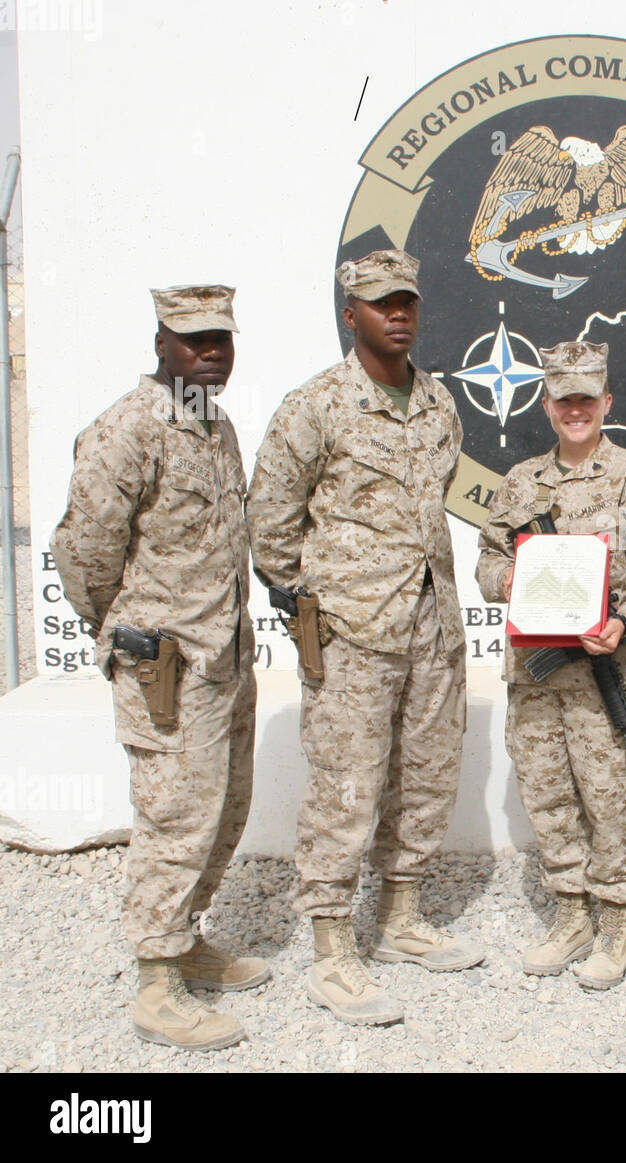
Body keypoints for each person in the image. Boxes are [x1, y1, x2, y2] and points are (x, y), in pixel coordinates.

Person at [246, 249, 481, 1027]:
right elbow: (270, 519)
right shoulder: (316, 405)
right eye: (382, 303)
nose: (398, 313)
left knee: (426, 771)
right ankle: (331, 946)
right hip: (352, 630)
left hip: (431, 620)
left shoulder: (440, 402)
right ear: (351, 315)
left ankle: (402, 914)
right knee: (346, 785)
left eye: (407, 299)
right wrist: (320, 599)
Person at [52, 284, 264, 1052]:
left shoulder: (215, 425)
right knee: (173, 820)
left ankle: (186, 937)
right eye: (192, 339)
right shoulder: (127, 430)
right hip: (166, 667)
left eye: (220, 339)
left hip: (223, 657)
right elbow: (83, 554)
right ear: (160, 345)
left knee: (224, 808)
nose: (210, 352)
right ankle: (156, 983)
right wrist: (127, 631)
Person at [475, 340, 626, 989]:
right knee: (548, 795)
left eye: (587, 398)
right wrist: (508, 578)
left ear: (606, 402)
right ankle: (570, 913)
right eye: (564, 399)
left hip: (604, 674)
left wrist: (624, 619)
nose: (576, 409)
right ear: (547, 404)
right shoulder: (521, 481)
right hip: (535, 676)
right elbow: (486, 559)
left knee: (609, 798)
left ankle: (615, 921)